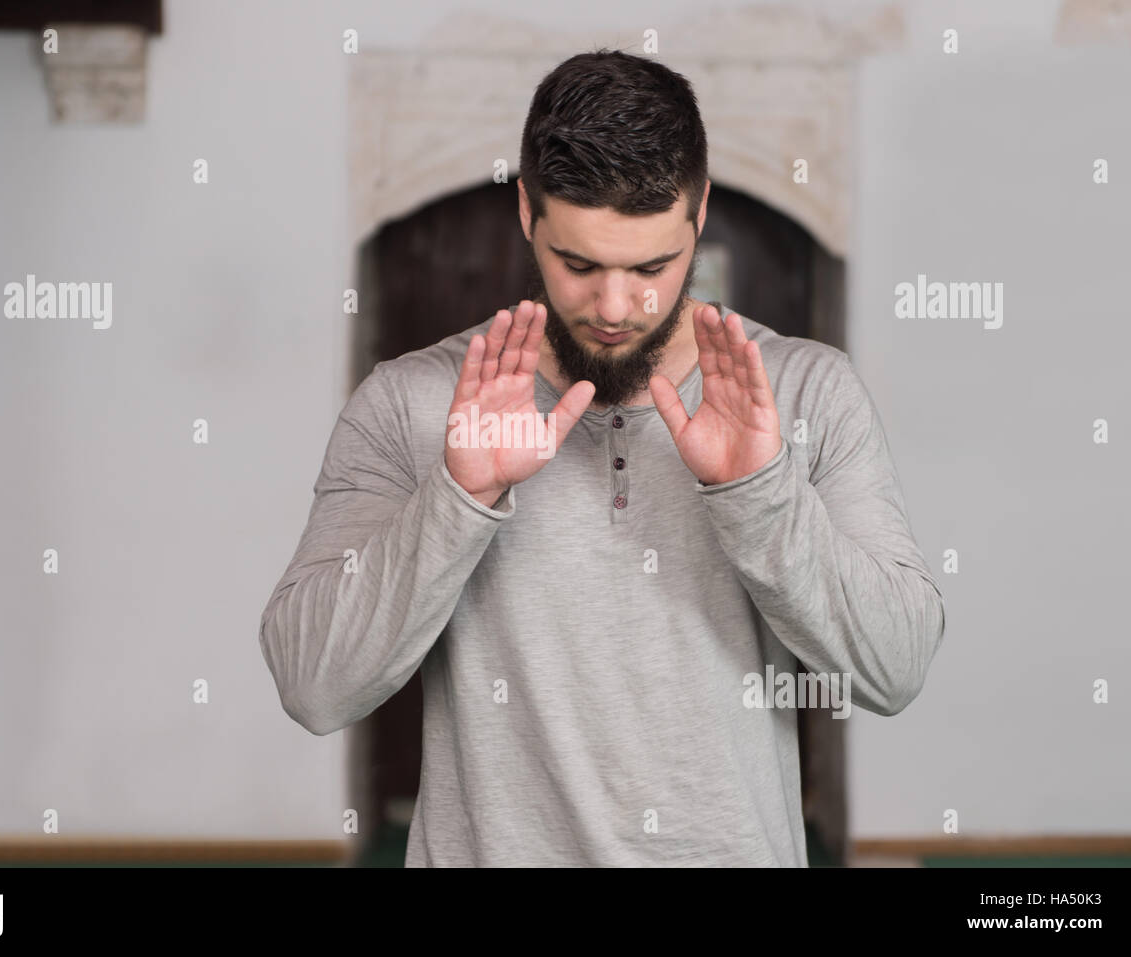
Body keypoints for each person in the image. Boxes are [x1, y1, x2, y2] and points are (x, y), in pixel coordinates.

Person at [259, 49, 945, 866]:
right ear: (526, 211)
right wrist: (458, 496)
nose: (615, 308)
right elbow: (311, 684)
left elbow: (895, 669)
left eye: (651, 267)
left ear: (699, 213)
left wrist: (760, 492)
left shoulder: (808, 392)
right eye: (577, 264)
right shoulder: (410, 402)